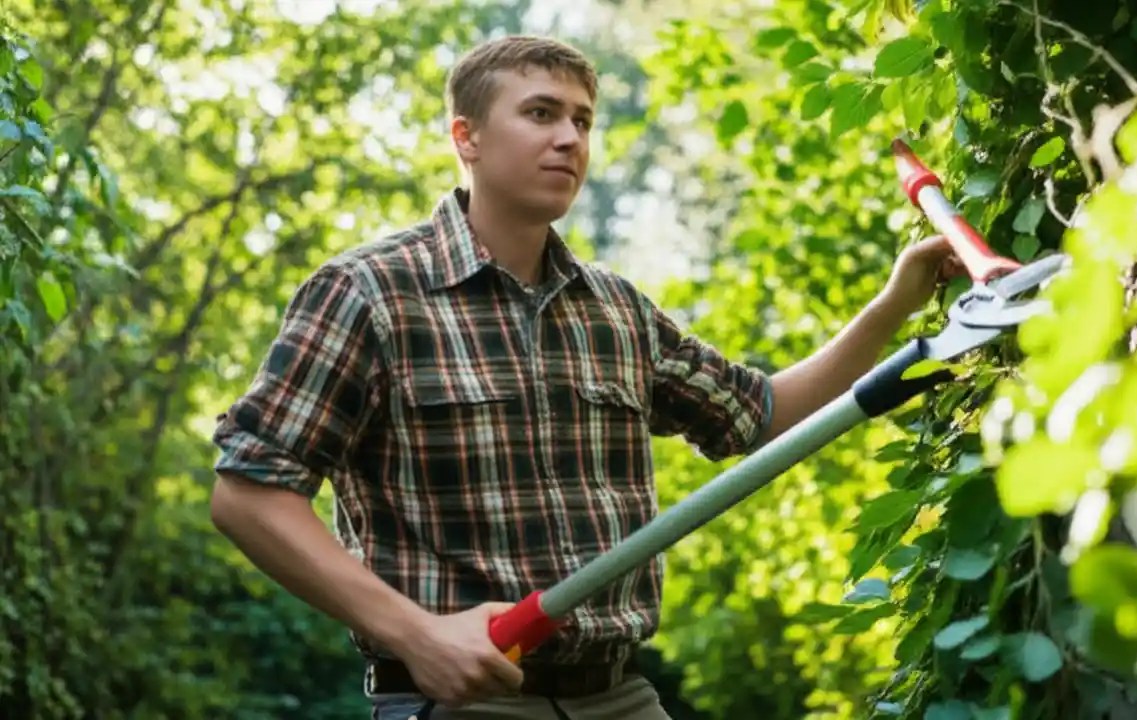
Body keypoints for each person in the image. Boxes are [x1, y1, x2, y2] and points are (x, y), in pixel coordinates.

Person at [209, 34, 960, 720]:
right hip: (466, 702)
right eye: (540, 113)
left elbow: (758, 415)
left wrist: (896, 304)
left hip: (622, 699)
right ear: (464, 137)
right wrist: (416, 634)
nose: (568, 138)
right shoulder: (370, 293)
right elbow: (248, 493)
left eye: (583, 120)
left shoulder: (616, 311)